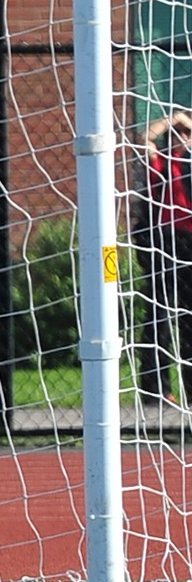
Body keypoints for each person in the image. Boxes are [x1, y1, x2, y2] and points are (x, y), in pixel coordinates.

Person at [134, 111, 192, 405]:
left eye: (187, 134)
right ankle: (155, 388)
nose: (182, 138)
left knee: (189, 317)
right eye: (178, 135)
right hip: (165, 239)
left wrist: (188, 124)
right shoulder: (163, 162)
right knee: (159, 313)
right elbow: (144, 139)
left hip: (190, 240)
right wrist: (173, 119)